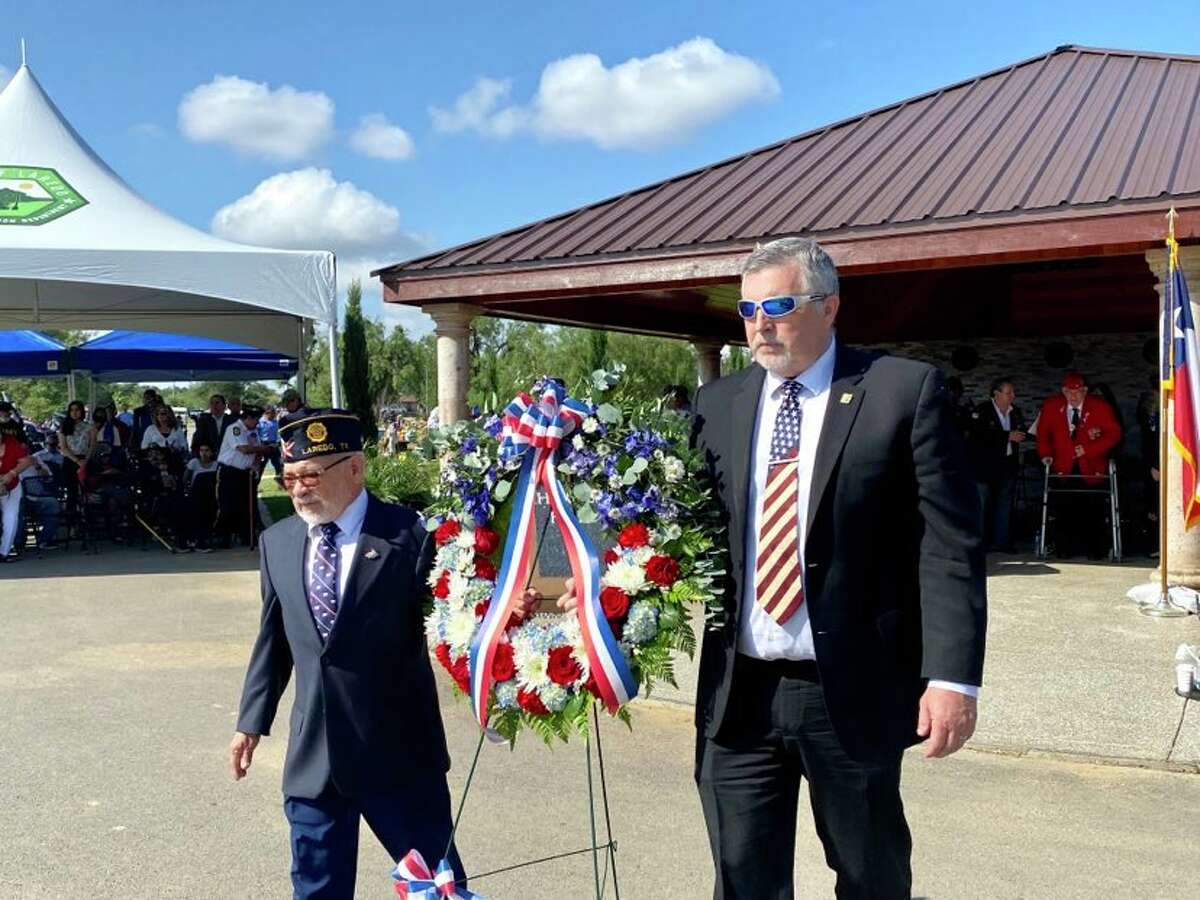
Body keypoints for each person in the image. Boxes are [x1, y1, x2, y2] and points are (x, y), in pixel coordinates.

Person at [564, 237, 985, 899]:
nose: (760, 323)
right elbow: (673, 538)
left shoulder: (901, 392)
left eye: (779, 305)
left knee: (871, 876)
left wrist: (953, 677)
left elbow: (949, 546)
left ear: (829, 306)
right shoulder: (717, 406)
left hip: (848, 689)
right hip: (739, 694)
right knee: (742, 880)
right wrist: (588, 592)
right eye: (747, 309)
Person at [229, 409, 541, 898]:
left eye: (310, 475)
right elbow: (275, 641)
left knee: (438, 890)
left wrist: (503, 613)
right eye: (288, 477)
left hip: (399, 758)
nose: (297, 489)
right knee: (316, 891)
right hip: (316, 760)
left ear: (355, 468)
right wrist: (251, 720)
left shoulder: (410, 535)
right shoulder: (278, 542)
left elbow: (455, 617)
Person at [1036, 372, 1123, 559]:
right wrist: (1045, 456)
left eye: (1078, 393)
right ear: (1063, 391)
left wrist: (1089, 450)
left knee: (1093, 510)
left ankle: (1095, 551)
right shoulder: (1051, 406)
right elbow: (1043, 434)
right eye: (1069, 393)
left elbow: (1114, 434)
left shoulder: (1100, 406)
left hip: (1092, 467)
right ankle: (1064, 550)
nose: (1073, 397)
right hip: (1063, 467)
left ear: (1085, 391)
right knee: (1064, 510)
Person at [968, 378, 1027, 552]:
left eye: (1013, 393)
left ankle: (1003, 541)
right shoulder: (982, 411)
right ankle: (980, 543)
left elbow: (1021, 430)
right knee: (982, 504)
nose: (1013, 396)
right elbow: (977, 436)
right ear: (996, 394)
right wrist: (1007, 436)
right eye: (1009, 393)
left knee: (1005, 503)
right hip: (985, 465)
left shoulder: (1015, 412)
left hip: (1008, 463)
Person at [214, 406, 270, 548]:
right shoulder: (235, 429)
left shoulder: (254, 432)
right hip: (230, 471)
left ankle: (247, 535)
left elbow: (256, 452)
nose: (257, 422)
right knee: (227, 505)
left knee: (247, 507)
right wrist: (264, 448)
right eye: (255, 419)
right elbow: (244, 449)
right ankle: (223, 537)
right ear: (247, 418)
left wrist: (257, 462)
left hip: (246, 473)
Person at [0, 403, 33, 560]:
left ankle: (4, 551)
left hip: (12, 485)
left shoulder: (12, 441)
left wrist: (11, 473)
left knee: (11, 517)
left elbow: (26, 461)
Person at [184, 443, 219, 552]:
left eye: (207, 450)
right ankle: (198, 541)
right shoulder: (194, 463)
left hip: (211, 495)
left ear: (211, 452)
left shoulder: (216, 465)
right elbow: (185, 479)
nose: (204, 453)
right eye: (201, 450)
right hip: (197, 494)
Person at [58, 400, 90, 510]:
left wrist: (85, 461)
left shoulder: (90, 427)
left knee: (87, 490)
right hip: (70, 460)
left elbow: (92, 446)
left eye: (77, 410)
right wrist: (77, 461)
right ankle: (71, 521)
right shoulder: (64, 427)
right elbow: (63, 448)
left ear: (82, 411)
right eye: (72, 410)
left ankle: (86, 517)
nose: (74, 412)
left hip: (85, 459)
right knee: (72, 491)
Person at [257, 405, 282, 481]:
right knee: (261, 466)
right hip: (263, 446)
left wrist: (277, 443)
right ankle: (256, 483)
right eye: (273, 413)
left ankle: (280, 481)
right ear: (267, 413)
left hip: (274, 446)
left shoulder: (276, 423)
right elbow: (257, 435)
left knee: (279, 465)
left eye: (274, 413)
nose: (275, 414)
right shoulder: (259, 422)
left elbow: (278, 434)